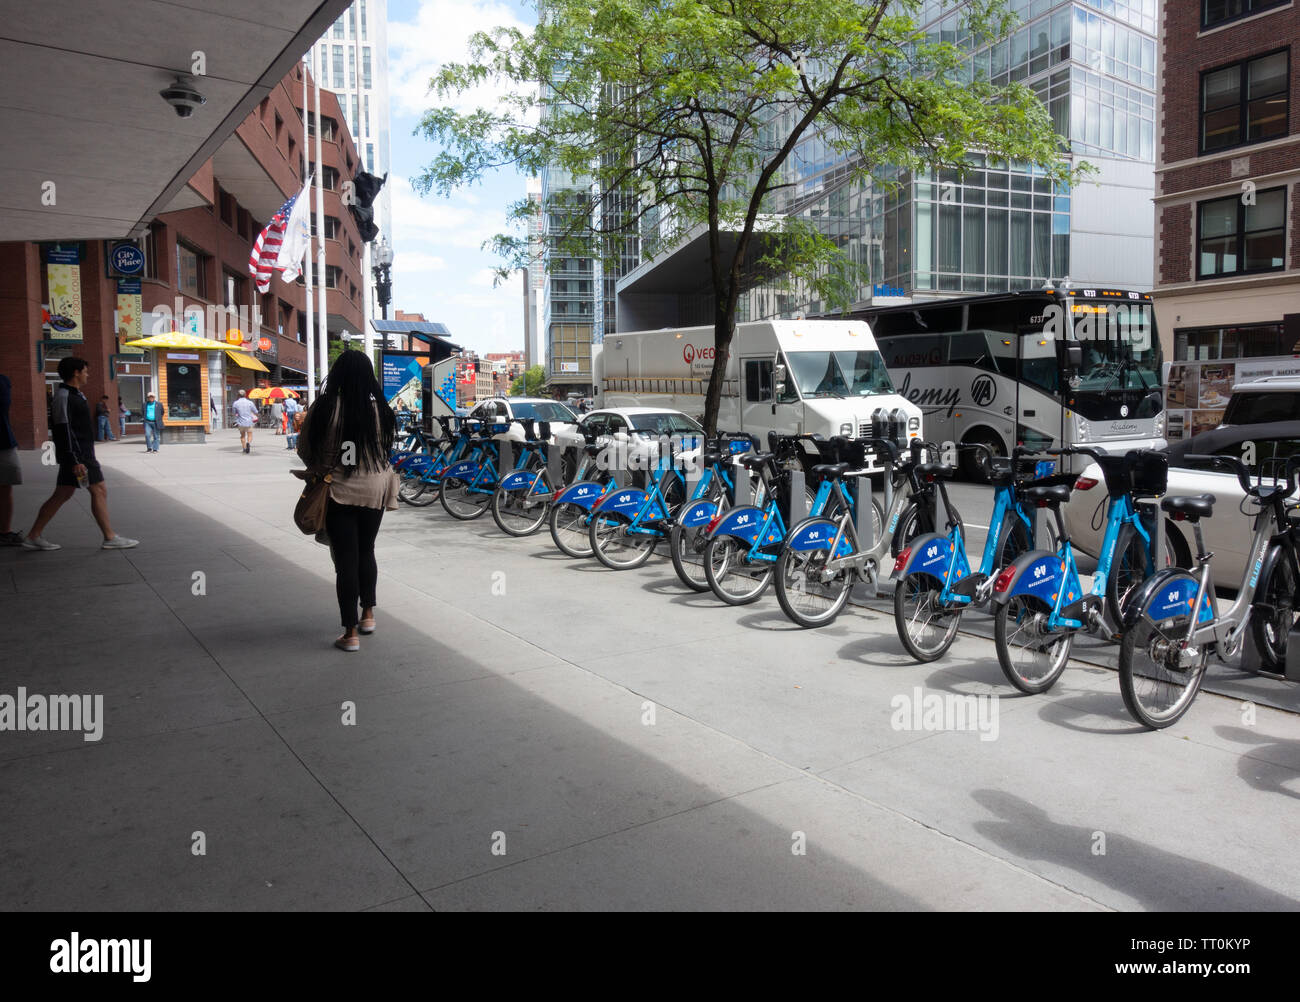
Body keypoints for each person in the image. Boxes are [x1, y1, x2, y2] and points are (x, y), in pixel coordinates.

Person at [297, 352, 398, 652]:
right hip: (375, 490)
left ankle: (350, 633)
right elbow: (385, 451)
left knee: (346, 561)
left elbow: (305, 448)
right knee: (367, 551)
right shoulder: (381, 410)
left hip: (338, 491)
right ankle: (368, 615)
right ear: (369, 376)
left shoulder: (326, 408)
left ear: (337, 374)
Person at [22, 357, 137, 551]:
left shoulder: (75, 394)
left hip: (80, 455)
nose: (87, 374)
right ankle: (110, 537)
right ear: (76, 372)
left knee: (63, 494)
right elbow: (63, 429)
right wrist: (74, 459)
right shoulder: (64, 396)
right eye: (85, 371)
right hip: (79, 457)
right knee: (98, 489)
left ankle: (33, 535)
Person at [0, 373, 23, 546]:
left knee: (6, 486)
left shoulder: (3, 381)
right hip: (4, 442)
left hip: (4, 441)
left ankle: (4, 532)